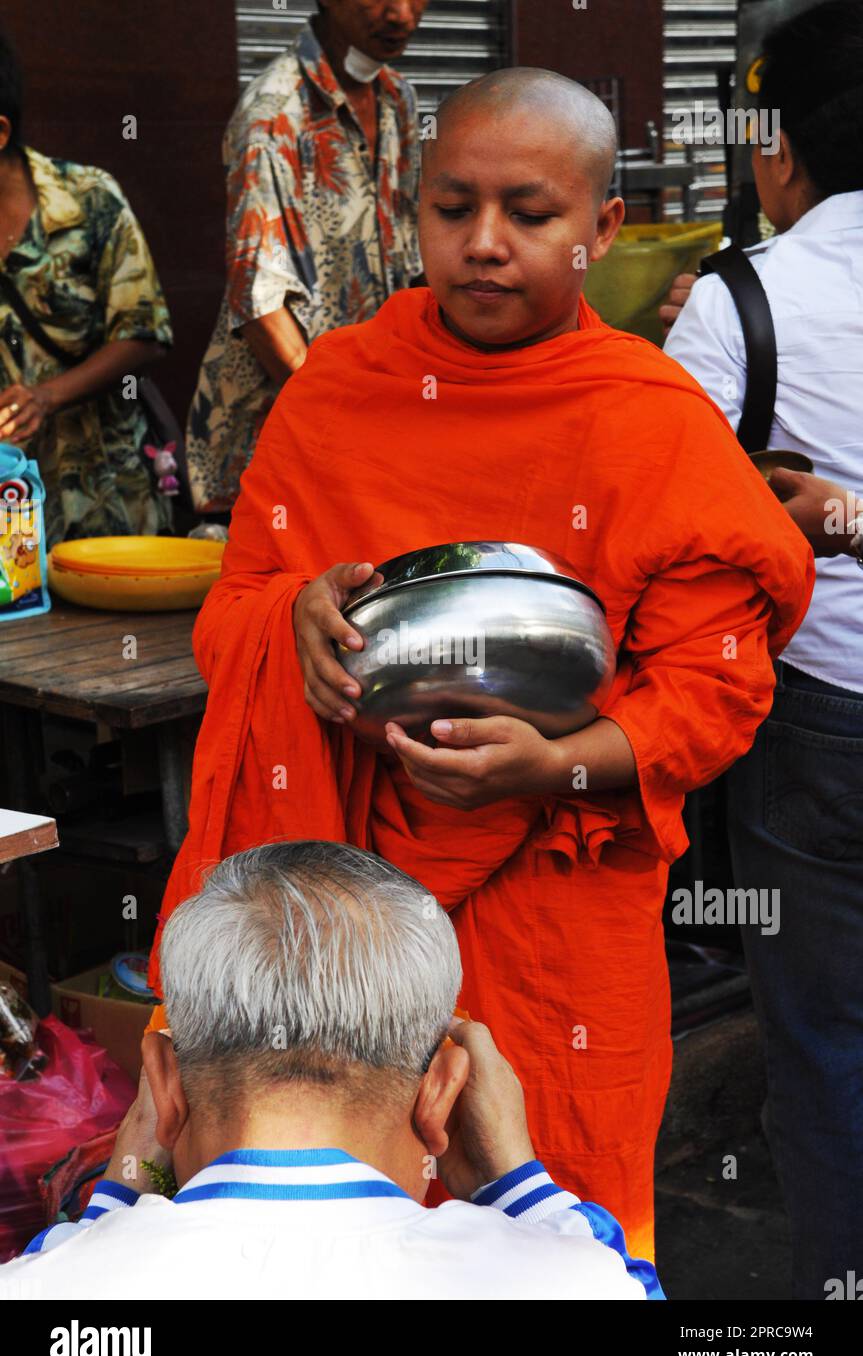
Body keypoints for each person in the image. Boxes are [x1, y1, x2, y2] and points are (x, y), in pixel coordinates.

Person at [145, 67, 814, 1265]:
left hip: (555, 921)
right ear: (410, 203)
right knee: (339, 1245)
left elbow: (712, 688)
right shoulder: (339, 388)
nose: (484, 244)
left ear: (601, 227)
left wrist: (556, 764)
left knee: (552, 1230)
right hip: (337, 933)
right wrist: (289, 614)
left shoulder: (648, 417)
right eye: (452, 208)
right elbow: (234, 606)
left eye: (530, 213)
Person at [0, 842, 662, 1300]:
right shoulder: (568, 1283)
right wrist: (517, 1184)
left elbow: (52, 1272)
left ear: (163, 1086)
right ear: (442, 1094)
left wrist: (120, 1192)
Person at [664, 0, 863, 1300]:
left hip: (814, 730)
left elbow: (654, 533)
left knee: (822, 1034)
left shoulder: (734, 305)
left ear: (776, 152)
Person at [186, 0, 427, 514]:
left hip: (376, 432)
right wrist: (339, 425)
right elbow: (258, 299)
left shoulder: (398, 99)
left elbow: (413, 257)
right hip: (282, 437)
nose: (402, 14)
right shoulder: (272, 112)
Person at [0, 30, 174, 548]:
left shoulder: (90, 199)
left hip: (109, 498)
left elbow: (146, 332)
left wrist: (44, 398)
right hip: (13, 520)